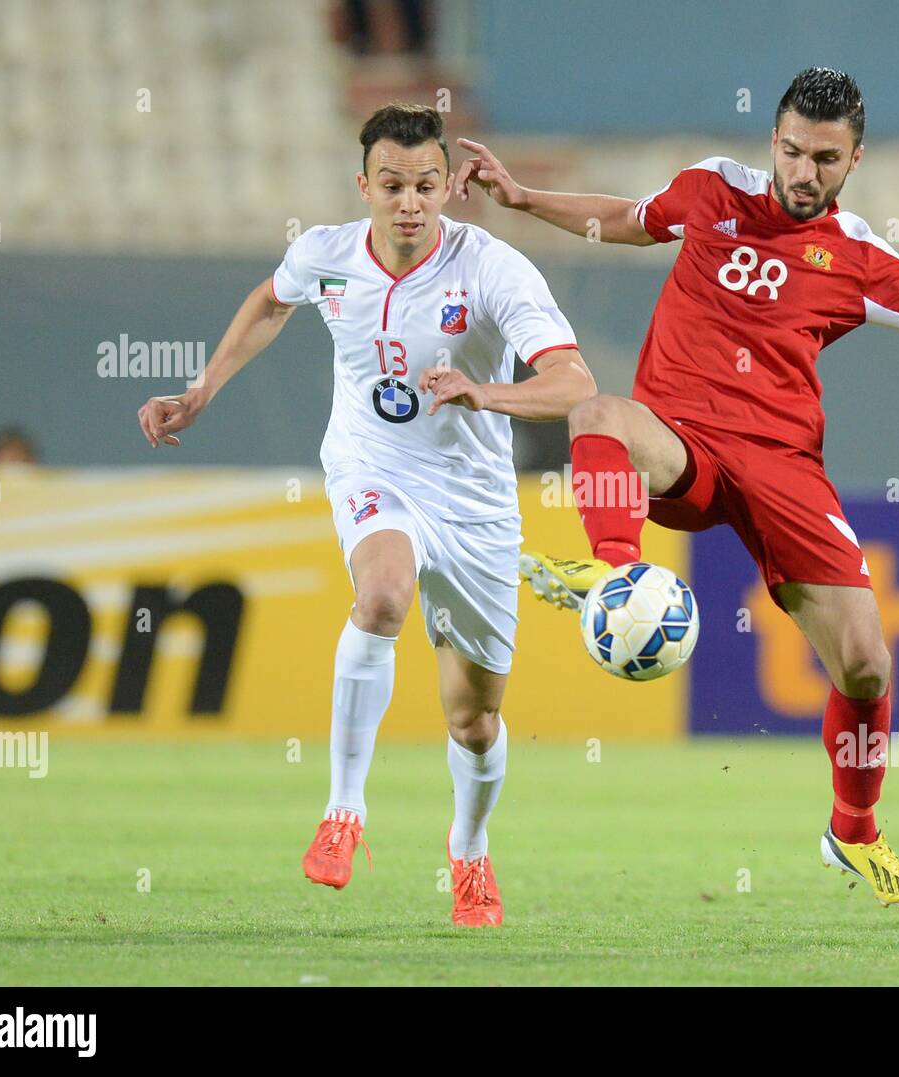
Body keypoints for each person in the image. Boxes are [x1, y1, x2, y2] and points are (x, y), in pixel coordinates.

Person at [453, 68, 899, 909]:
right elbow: (624, 220)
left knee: (868, 665)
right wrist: (518, 198)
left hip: (783, 469)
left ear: (855, 160)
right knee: (600, 411)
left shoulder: (859, 256)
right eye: (794, 151)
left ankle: (854, 831)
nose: (804, 172)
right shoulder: (709, 190)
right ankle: (616, 569)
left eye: (826, 159)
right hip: (684, 444)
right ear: (773, 140)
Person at [137, 103, 594, 927]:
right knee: (381, 595)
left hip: (475, 501)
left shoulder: (493, 269)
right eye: (392, 185)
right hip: (371, 465)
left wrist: (484, 392)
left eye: (426, 184)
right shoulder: (327, 254)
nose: (410, 202)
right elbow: (273, 300)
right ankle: (344, 811)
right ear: (365, 187)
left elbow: (574, 384)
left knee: (477, 718)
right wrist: (203, 388)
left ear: (450, 185)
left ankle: (470, 852)